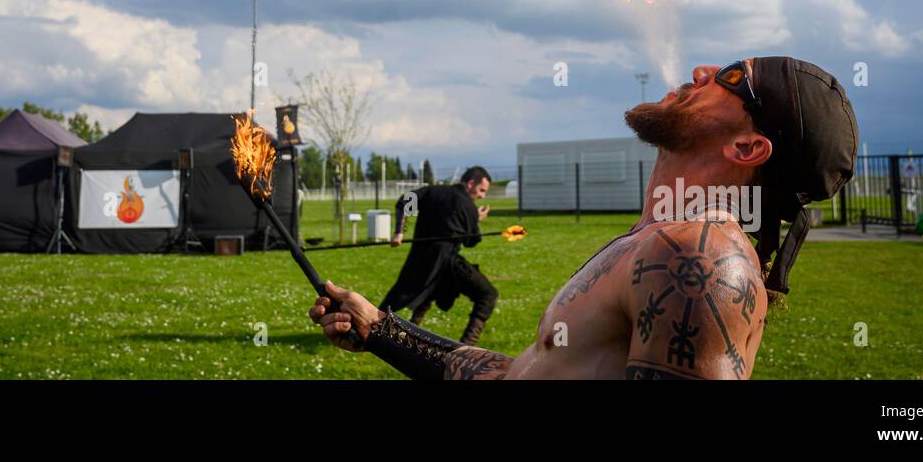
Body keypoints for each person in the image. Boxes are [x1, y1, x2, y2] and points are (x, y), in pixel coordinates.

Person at [309, 56, 857, 379]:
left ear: (747, 148)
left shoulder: (699, 259)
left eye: (734, 79)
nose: (703, 69)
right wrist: (381, 330)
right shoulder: (657, 241)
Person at [379, 166, 497, 346]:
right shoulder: (469, 207)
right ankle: (467, 346)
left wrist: (399, 232)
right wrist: (476, 220)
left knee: (406, 296)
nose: (482, 196)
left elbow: (406, 201)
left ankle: (403, 329)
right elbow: (471, 241)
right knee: (488, 294)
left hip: (419, 260)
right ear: (471, 183)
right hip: (447, 262)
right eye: (481, 190)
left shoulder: (434, 192)